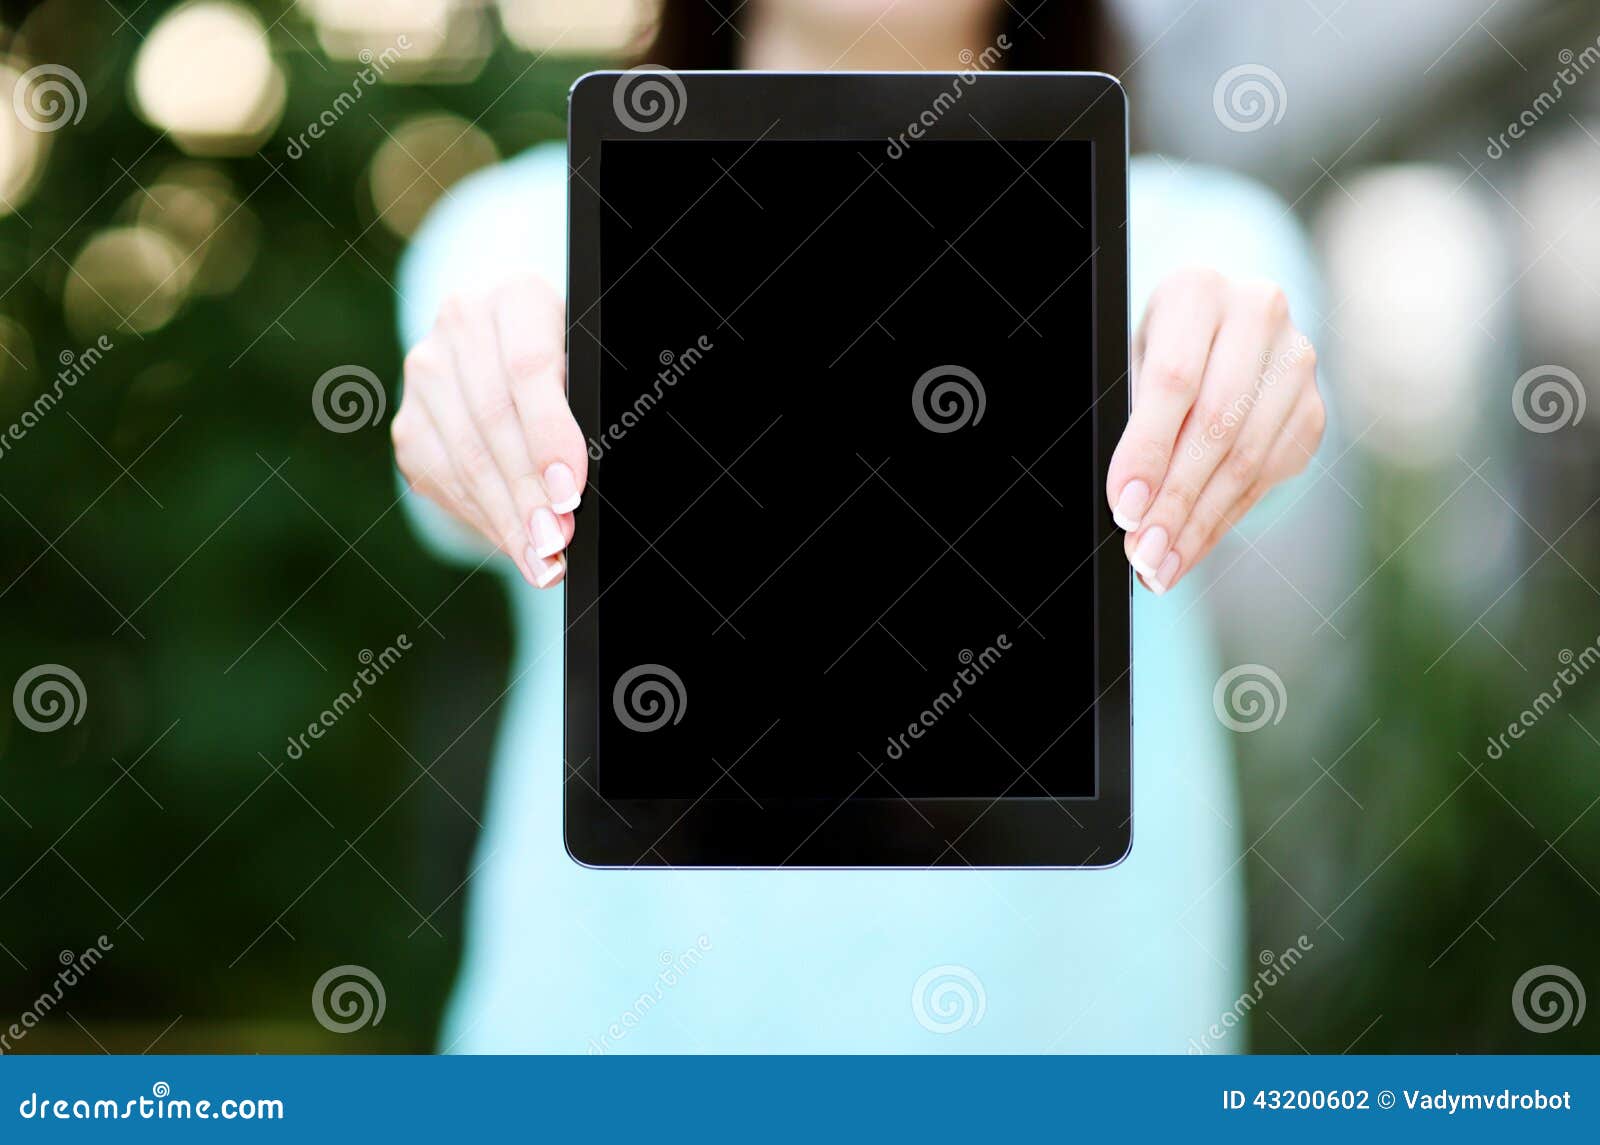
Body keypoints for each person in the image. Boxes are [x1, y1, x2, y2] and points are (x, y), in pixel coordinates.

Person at [391, 0, 1326, 1052]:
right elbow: (459, 438)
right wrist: (469, 417)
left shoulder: (1197, 242)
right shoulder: (521, 230)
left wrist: (1226, 386)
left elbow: (1254, 377)